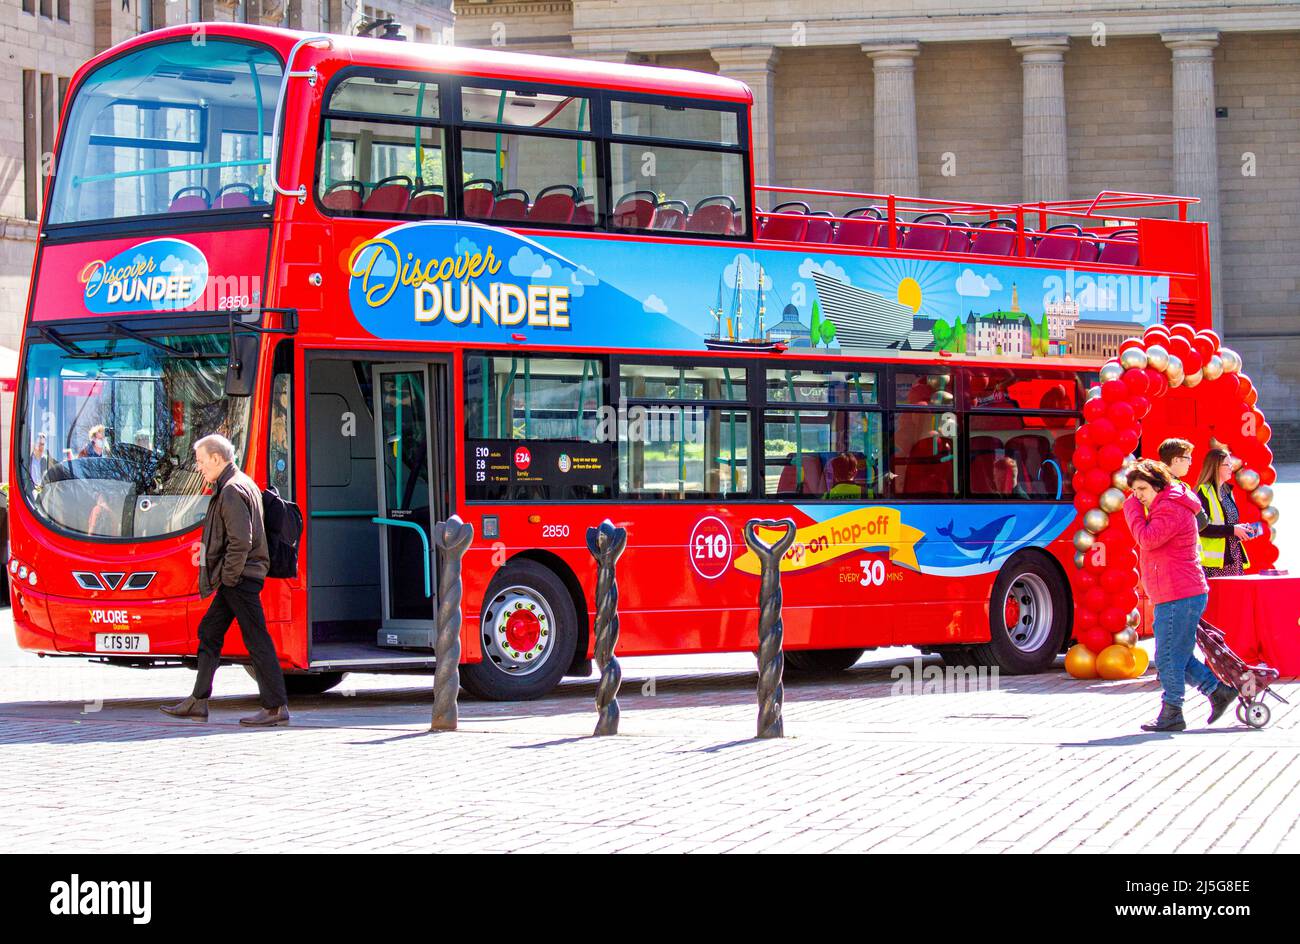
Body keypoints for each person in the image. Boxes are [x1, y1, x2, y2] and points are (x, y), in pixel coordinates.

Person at [161, 434, 289, 726]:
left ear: (217, 459)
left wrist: (229, 577)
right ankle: (198, 700)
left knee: (256, 639)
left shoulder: (231, 490)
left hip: (240, 578)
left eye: (202, 461)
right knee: (210, 631)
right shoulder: (240, 482)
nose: (199, 467)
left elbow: (241, 541)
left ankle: (276, 707)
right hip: (241, 576)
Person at [1123, 459, 1236, 732]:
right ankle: (1217, 691)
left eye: (1142, 489)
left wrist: (1132, 510)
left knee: (1167, 658)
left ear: (1158, 485)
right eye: (1134, 491)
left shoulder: (1171, 506)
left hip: (1179, 592)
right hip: (1174, 591)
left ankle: (1172, 711)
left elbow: (1148, 538)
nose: (1137, 496)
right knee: (1177, 655)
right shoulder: (1168, 503)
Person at [1194, 447, 1251, 577]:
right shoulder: (1203, 491)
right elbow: (1201, 528)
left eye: (1231, 464)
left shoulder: (1226, 490)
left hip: (1232, 558)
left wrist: (1240, 529)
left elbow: (1228, 523)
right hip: (1215, 565)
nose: (1231, 467)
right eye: (1227, 464)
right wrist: (1232, 530)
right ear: (1216, 467)